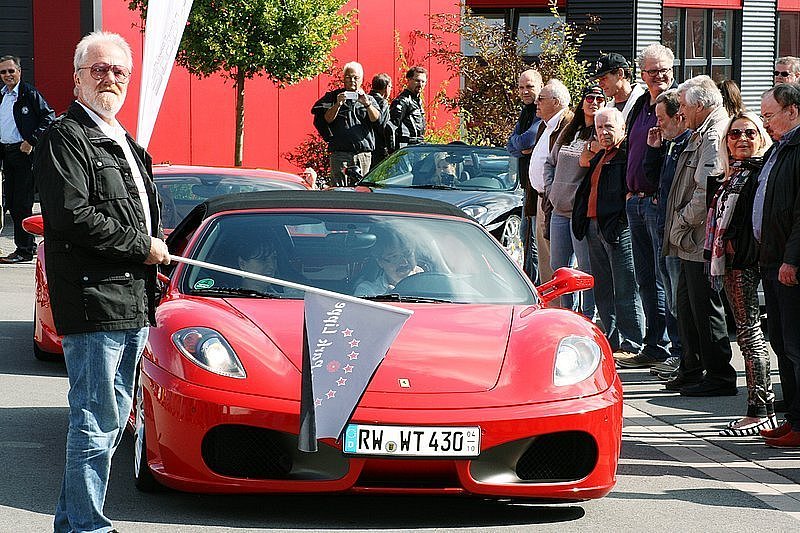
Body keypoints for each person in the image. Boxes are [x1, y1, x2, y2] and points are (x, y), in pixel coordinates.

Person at [34, 31, 171, 532]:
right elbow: (71, 216)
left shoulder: (126, 142)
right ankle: (86, 526)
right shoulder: (65, 137)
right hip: (95, 301)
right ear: (76, 78)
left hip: (131, 300)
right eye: (99, 69)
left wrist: (153, 246)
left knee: (109, 422)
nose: (110, 78)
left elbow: (135, 215)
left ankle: (73, 521)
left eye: (119, 71)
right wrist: (143, 247)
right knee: (94, 422)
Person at [663, 75, 736, 397]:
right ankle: (692, 369)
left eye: (683, 106)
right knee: (687, 306)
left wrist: (679, 222)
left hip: (698, 236)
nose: (680, 112)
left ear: (701, 105)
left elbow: (706, 189)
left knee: (704, 308)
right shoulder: (699, 132)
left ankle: (719, 375)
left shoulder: (714, 133)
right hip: (690, 236)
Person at [706, 111, 776, 436]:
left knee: (750, 335)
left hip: (747, 262)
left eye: (749, 133)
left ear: (760, 136)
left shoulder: (759, 173)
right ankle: (762, 410)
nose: (742, 139)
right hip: (732, 263)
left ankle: (759, 410)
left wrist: (741, 252)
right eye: (734, 134)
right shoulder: (731, 175)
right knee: (749, 335)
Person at [613, 43, 677, 369]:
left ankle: (668, 348)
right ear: (642, 75)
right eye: (652, 71)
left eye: (664, 70)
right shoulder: (640, 103)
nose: (659, 76)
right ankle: (653, 346)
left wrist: (653, 193)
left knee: (663, 278)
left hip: (656, 201)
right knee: (645, 278)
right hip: (635, 201)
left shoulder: (675, 104)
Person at [572, 107, 645, 356]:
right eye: (600, 127)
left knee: (625, 287)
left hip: (616, 227)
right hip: (594, 226)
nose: (604, 132)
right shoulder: (602, 155)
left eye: (609, 127)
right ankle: (612, 341)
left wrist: (620, 220)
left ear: (622, 128)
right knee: (602, 288)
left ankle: (632, 344)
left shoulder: (626, 153)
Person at [754, 83, 800, 448]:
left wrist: (791, 258)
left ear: (793, 111)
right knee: (782, 344)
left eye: (769, 116)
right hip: (771, 259)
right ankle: (794, 419)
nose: (764, 123)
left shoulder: (797, 148)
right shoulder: (782, 148)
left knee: (795, 346)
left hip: (788, 264)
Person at [542, 84, 603, 317]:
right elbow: (550, 163)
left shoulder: (600, 135)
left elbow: (592, 165)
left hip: (580, 213)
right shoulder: (571, 131)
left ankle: (588, 315)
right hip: (559, 210)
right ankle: (566, 313)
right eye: (590, 97)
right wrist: (551, 189)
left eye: (599, 98)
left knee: (585, 270)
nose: (594, 102)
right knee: (560, 267)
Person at [643, 89, 690, 379]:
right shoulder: (670, 145)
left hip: (676, 231)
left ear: (678, 117)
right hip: (663, 228)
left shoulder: (685, 144)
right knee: (669, 294)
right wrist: (653, 149)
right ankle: (678, 354)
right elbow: (654, 180)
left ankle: (683, 355)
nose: (658, 124)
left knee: (676, 298)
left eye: (662, 118)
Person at [0, 54, 55, 263]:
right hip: (7, 154)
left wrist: (31, 141)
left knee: (21, 203)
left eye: (11, 71)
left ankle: (24, 249)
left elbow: (49, 117)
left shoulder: (29, 94)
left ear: (19, 72)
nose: (7, 75)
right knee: (11, 203)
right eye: (3, 72)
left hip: (24, 155)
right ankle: (25, 246)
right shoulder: (3, 95)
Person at [311, 62, 385, 187]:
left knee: (361, 190)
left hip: (363, 155)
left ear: (361, 80)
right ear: (343, 78)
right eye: (348, 77)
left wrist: (366, 104)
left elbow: (377, 120)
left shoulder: (369, 99)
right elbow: (326, 119)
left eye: (356, 78)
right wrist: (338, 104)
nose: (352, 80)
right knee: (339, 191)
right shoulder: (333, 97)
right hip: (340, 155)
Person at [529, 78, 573, 285]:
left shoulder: (568, 125)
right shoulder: (545, 126)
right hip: (541, 200)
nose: (536, 102)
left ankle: (561, 310)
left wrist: (553, 196)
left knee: (558, 261)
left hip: (555, 202)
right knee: (545, 259)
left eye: (541, 99)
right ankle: (551, 306)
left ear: (556, 102)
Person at [506, 68, 543, 281]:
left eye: (529, 86)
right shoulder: (525, 111)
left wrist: (518, 145)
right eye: (521, 87)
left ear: (540, 86)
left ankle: (536, 285)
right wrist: (519, 146)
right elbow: (512, 144)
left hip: (538, 189)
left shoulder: (540, 111)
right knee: (526, 240)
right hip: (525, 186)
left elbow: (526, 140)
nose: (525, 91)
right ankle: (530, 281)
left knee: (535, 243)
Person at [354, 227, 424, 296]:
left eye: (407, 253)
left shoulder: (431, 283)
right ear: (380, 262)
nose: (404, 262)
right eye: (394, 257)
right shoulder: (368, 292)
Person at [591, 52, 646, 121]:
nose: (600, 84)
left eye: (604, 78)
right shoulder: (607, 108)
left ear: (620, 73)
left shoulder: (645, 102)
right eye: (599, 80)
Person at [390, 66, 427, 148]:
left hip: (418, 146)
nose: (420, 84)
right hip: (406, 147)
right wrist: (392, 151)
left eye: (423, 82)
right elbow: (391, 128)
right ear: (409, 80)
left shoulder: (418, 100)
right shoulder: (402, 101)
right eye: (417, 81)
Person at [368, 73, 394, 166]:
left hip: (366, 146)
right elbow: (383, 126)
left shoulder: (366, 100)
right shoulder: (383, 103)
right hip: (378, 148)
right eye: (391, 87)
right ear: (386, 87)